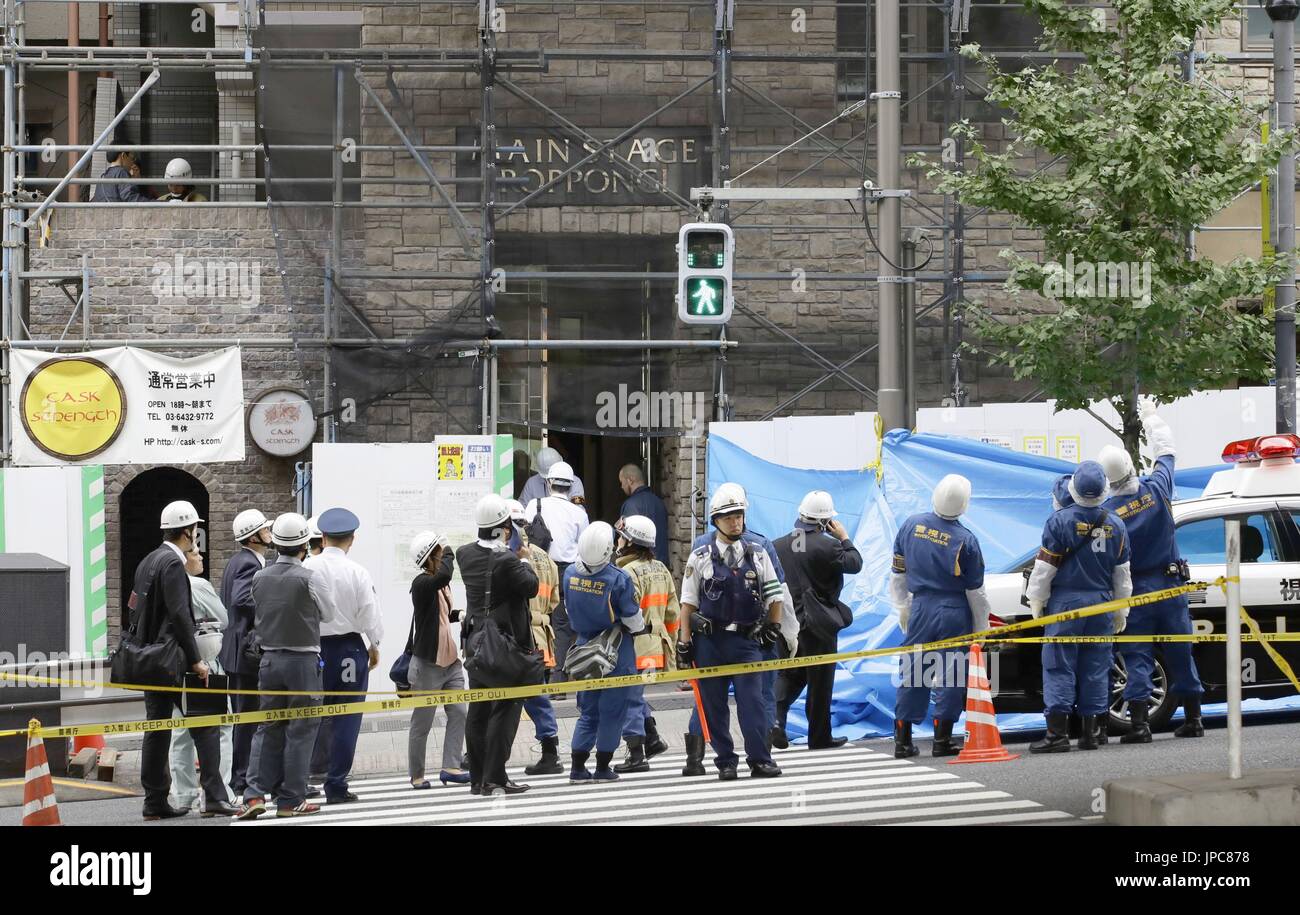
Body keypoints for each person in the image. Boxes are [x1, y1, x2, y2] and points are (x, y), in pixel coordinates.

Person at [1100, 399, 1205, 743]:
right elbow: (1166, 449)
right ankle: (1194, 718)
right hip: (1172, 585)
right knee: (1180, 650)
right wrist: (1151, 419)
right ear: (1132, 466)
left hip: (1136, 591)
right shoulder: (1158, 488)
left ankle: (1141, 725)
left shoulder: (1109, 515)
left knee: (1136, 655)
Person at [131, 500, 235, 820]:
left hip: (151, 659)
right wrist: (195, 660)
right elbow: (180, 615)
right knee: (206, 724)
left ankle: (155, 801)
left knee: (158, 729)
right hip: (174, 660)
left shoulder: (148, 561)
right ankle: (215, 796)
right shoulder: (174, 564)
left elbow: (135, 607)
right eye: (194, 530)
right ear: (189, 532)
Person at [677, 486, 785, 781]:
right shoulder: (700, 556)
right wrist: (684, 643)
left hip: (746, 642)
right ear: (716, 520)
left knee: (753, 703)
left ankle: (760, 760)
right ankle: (725, 761)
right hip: (710, 643)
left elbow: (776, 596)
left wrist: (773, 627)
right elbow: (687, 603)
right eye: (729, 517)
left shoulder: (758, 553)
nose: (736, 522)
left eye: (739, 515)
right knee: (714, 707)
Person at [1025, 462, 1132, 753]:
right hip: (1102, 602)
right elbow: (1122, 575)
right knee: (1096, 666)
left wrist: (1036, 599)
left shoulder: (1059, 521)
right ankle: (1091, 733)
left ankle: (1057, 735)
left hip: (1066, 604)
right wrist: (1121, 609)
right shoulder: (1117, 524)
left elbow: (1045, 569)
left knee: (1059, 665)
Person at [236, 513, 338, 819]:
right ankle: (291, 798)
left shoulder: (259, 577)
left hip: (269, 661)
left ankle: (253, 795)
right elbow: (329, 614)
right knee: (301, 729)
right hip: (303, 662)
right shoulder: (310, 577)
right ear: (305, 545)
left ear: (276, 544)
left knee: (267, 726)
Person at [888, 475, 992, 758]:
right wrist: (981, 628)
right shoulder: (966, 540)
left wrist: (904, 608)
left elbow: (898, 574)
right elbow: (977, 594)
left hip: (920, 606)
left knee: (913, 671)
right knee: (952, 673)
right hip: (954, 610)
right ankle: (941, 740)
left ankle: (903, 741)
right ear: (965, 504)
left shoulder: (911, 526)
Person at [456, 494, 540, 796]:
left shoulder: (463, 554)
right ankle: (496, 776)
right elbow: (531, 587)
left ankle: (478, 779)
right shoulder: (507, 559)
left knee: (478, 709)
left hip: (477, 642)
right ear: (504, 527)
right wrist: (526, 558)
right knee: (505, 708)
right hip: (504, 644)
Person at [304, 507, 383, 804]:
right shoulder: (358, 572)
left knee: (309, 715)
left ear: (322, 537)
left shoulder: (308, 568)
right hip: (350, 647)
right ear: (352, 539)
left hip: (314, 648)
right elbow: (370, 614)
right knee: (347, 718)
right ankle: (336, 784)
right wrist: (374, 645)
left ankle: (301, 779)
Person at [773, 490, 862, 750]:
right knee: (821, 679)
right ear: (825, 522)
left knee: (790, 674)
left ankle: (776, 721)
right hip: (819, 623)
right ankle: (819, 736)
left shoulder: (778, 545)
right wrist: (844, 538)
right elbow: (855, 563)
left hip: (788, 621)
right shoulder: (829, 544)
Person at [564, 522, 646, 784]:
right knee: (613, 711)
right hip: (615, 648)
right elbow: (633, 620)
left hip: (584, 647)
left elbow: (567, 609)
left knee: (588, 711)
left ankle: (577, 768)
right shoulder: (618, 578)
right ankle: (602, 768)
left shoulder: (568, 574)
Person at [169, 544, 236, 811]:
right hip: (204, 664)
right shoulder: (197, 585)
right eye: (195, 552)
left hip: (174, 665)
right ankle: (219, 792)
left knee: (181, 732)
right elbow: (223, 619)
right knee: (220, 728)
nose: (200, 556)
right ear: (184, 559)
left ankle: (183, 795)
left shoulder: (165, 583)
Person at [612, 515, 678, 773]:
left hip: (634, 643)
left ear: (630, 541)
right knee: (634, 695)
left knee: (628, 698)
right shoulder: (661, 568)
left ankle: (637, 754)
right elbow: (672, 614)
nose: (618, 541)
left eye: (621, 536)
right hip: (656, 645)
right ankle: (651, 739)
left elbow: (628, 615)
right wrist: (669, 644)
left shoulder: (626, 573)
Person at [405, 530, 470, 788]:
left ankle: (451, 767)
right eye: (440, 554)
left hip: (451, 660)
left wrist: (459, 614)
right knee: (422, 722)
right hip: (428, 665)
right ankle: (417, 775)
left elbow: (442, 615)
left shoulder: (441, 585)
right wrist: (449, 546)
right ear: (431, 558)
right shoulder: (421, 584)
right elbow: (445, 572)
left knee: (459, 712)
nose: (444, 558)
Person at [506, 498, 565, 777]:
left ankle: (480, 753)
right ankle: (550, 752)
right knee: (537, 696)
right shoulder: (546, 558)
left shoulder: (509, 556)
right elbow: (553, 602)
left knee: (503, 696)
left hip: (516, 637)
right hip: (542, 636)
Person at [218, 508, 272, 798]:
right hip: (244, 653)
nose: (269, 533)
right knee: (247, 717)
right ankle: (241, 779)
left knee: (245, 716)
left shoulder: (241, 560)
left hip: (236, 651)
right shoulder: (248, 563)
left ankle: (242, 776)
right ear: (253, 536)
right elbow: (241, 600)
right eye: (265, 529)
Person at [525, 460, 590, 683]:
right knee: (561, 625)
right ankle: (558, 679)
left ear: (549, 482)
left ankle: (536, 675)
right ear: (571, 486)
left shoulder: (534, 505)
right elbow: (585, 550)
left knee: (535, 620)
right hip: (565, 572)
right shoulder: (579, 514)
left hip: (538, 570)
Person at [617, 463, 670, 563]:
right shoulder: (659, 503)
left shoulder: (630, 505)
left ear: (630, 480)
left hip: (640, 567)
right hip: (661, 566)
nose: (621, 486)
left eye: (622, 482)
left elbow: (628, 541)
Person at [519, 445, 586, 505]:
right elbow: (523, 508)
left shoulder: (575, 482)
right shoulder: (531, 483)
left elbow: (578, 510)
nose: (549, 480)